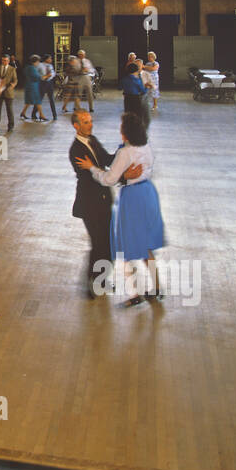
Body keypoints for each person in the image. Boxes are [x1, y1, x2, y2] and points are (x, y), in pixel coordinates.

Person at [76, 111, 165, 307]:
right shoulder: (146, 146)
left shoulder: (125, 153)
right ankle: (157, 287)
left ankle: (135, 293)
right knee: (145, 246)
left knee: (126, 246)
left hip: (132, 198)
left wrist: (92, 167)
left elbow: (109, 179)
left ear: (126, 132)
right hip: (148, 194)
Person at [69, 110, 143, 300]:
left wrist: (125, 147)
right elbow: (93, 178)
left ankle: (101, 281)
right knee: (98, 243)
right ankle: (91, 283)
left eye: (90, 121)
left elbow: (107, 160)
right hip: (89, 203)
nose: (90, 125)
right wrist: (120, 177)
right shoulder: (76, 150)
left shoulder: (92, 140)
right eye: (85, 122)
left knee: (108, 244)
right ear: (76, 126)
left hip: (104, 201)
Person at [121, 62, 149, 130]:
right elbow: (143, 91)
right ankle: (137, 128)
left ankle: (128, 128)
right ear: (136, 71)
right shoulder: (137, 80)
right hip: (135, 99)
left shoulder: (124, 79)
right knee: (137, 114)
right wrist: (147, 87)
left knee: (128, 113)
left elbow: (120, 87)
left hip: (127, 98)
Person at [0, 54, 18, 132]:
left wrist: (13, 85)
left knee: (9, 110)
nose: (4, 62)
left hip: (8, 91)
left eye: (6, 60)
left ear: (8, 61)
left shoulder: (12, 69)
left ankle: (11, 126)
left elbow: (15, 80)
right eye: (3, 60)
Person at [21, 56, 46, 122]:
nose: (38, 63)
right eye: (38, 61)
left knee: (29, 101)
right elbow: (37, 77)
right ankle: (41, 115)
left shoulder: (27, 67)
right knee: (38, 100)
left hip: (29, 85)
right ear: (35, 61)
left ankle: (23, 113)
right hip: (33, 86)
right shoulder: (32, 68)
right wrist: (45, 76)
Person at [38, 54, 57, 121]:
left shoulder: (50, 66)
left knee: (51, 99)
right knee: (40, 99)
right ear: (46, 59)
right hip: (42, 83)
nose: (51, 60)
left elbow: (53, 73)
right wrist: (45, 76)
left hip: (49, 83)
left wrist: (50, 76)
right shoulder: (40, 65)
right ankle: (34, 113)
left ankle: (54, 115)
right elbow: (39, 75)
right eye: (50, 58)